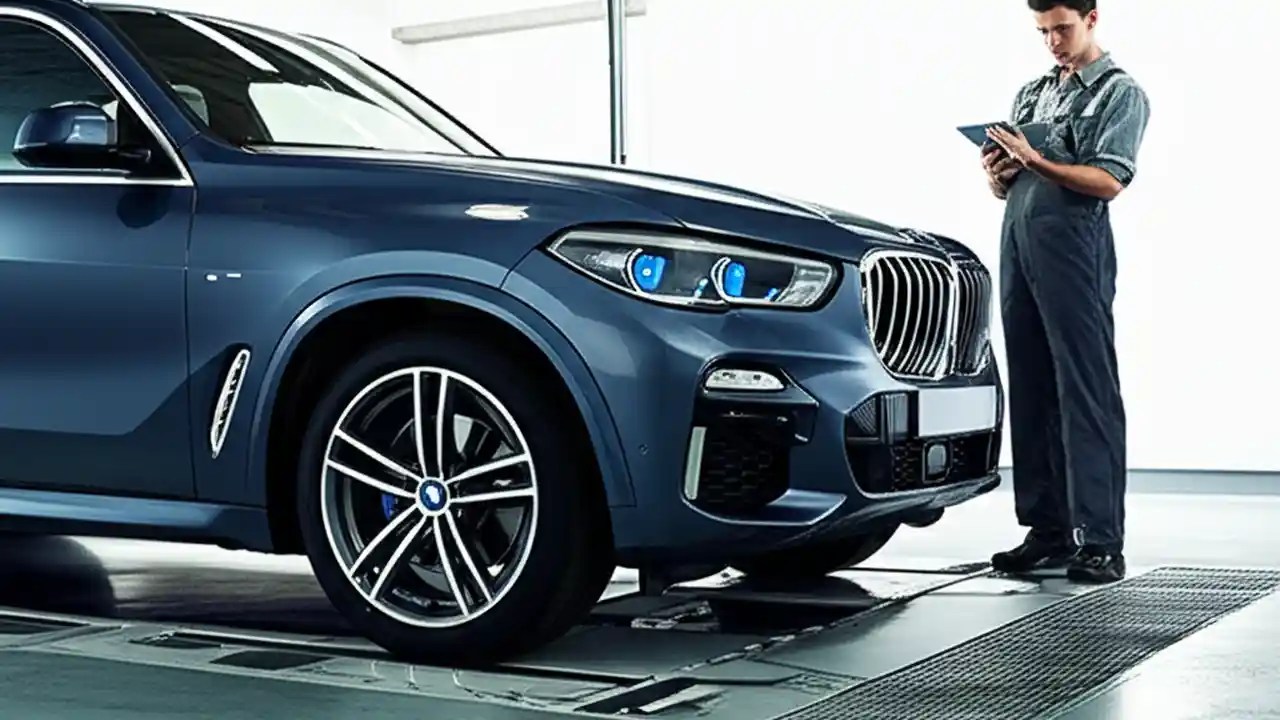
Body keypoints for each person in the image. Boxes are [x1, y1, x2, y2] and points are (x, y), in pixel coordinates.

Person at [981, 0, 1149, 583]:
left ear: (1093, 18)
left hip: (1074, 248)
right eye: (1043, 31)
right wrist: (1000, 172)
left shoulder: (1119, 93)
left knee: (1086, 386)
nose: (1052, 41)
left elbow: (1108, 180)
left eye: (1062, 28)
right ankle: (1047, 529)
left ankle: (1100, 539)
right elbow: (1009, 185)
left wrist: (1036, 159)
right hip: (1020, 241)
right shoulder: (1032, 94)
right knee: (1030, 383)